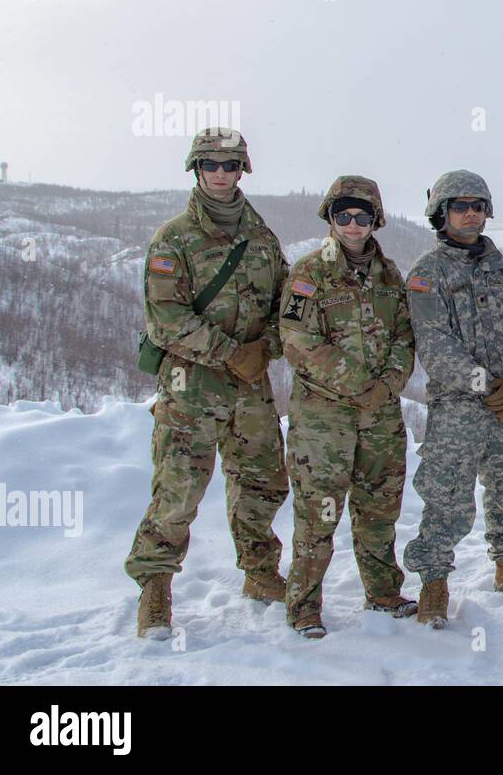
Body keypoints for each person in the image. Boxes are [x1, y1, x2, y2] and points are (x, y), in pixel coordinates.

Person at [125, 127, 289, 638]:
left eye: (230, 165)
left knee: (262, 483)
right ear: (195, 170)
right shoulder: (173, 238)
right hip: (191, 386)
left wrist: (267, 348)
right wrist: (230, 353)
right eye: (210, 166)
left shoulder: (261, 238)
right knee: (178, 490)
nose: (220, 174)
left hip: (251, 388)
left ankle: (261, 573)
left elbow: (288, 307)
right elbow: (166, 319)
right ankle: (155, 588)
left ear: (243, 170)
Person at [402, 170, 503, 628]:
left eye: (477, 206)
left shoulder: (500, 266)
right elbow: (433, 342)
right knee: (447, 495)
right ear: (441, 212)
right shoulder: (428, 272)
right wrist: (485, 385)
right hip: (458, 406)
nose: (470, 213)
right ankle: (434, 582)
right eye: (459, 206)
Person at [278, 176, 416, 638]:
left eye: (362, 216)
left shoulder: (390, 276)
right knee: (319, 512)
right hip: (324, 420)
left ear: (375, 219)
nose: (353, 225)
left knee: (379, 508)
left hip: (380, 416)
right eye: (344, 216)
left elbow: (403, 338)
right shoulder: (309, 273)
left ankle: (382, 592)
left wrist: (389, 384)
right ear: (331, 219)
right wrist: (360, 385)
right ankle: (304, 604)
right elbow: (298, 342)